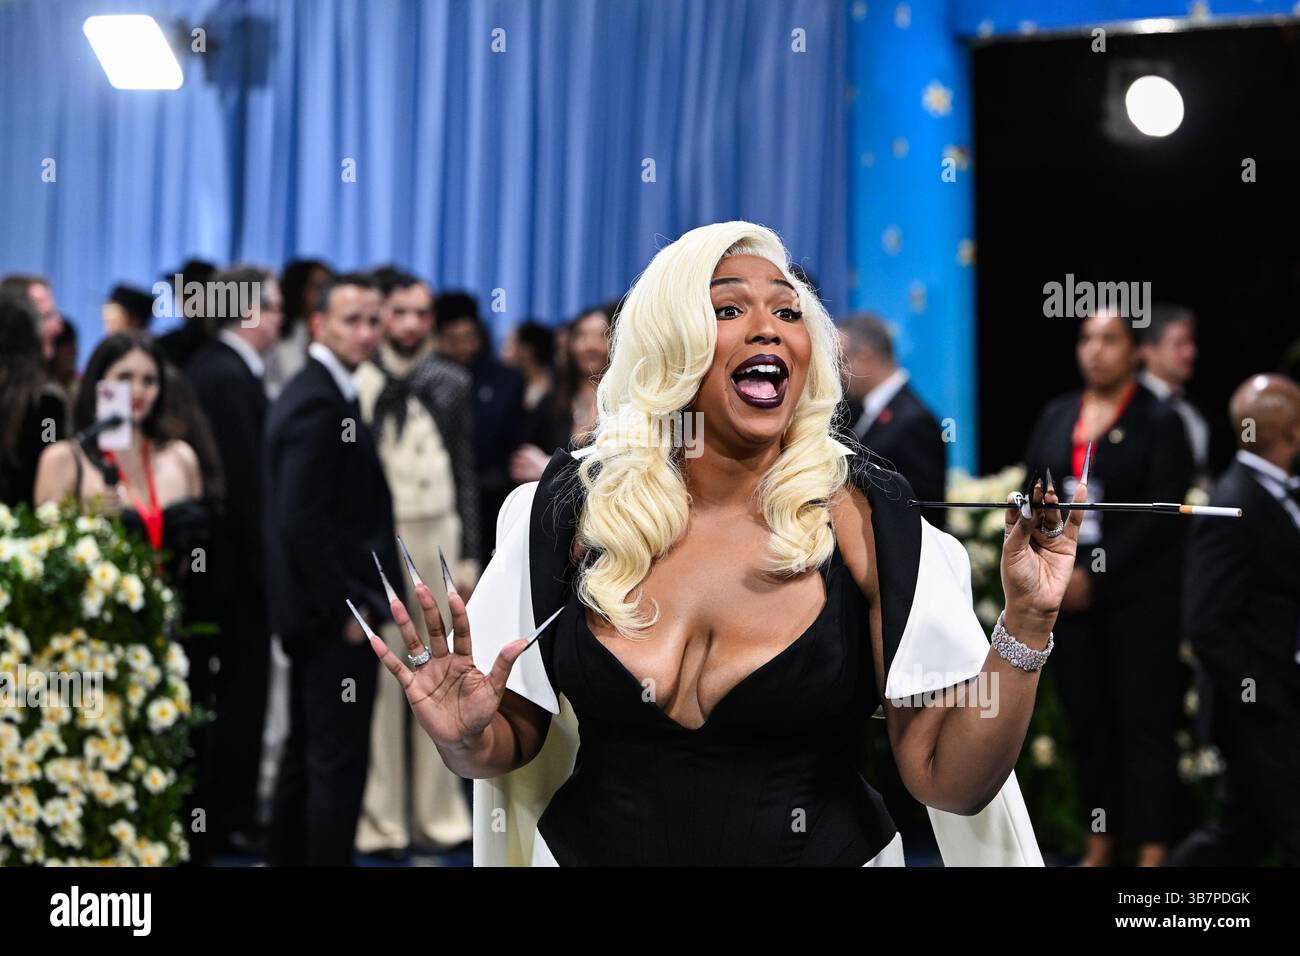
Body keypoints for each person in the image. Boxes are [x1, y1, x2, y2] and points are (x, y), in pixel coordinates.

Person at [364, 220, 1083, 866]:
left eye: (789, 309)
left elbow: (949, 783)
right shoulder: (566, 511)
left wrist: (1028, 621)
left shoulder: (868, 517)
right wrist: (463, 738)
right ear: (668, 345)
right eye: (730, 308)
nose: (769, 327)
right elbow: (511, 743)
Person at [1022, 308, 1194, 867]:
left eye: (1110, 340)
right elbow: (1034, 493)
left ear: (1136, 351)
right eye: (1086, 338)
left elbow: (1164, 512)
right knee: (1087, 718)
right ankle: (1100, 840)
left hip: (1137, 599)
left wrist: (1094, 572)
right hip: (1069, 599)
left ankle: (1151, 847)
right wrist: (1053, 564)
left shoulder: (1160, 421)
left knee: (1143, 723)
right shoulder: (1056, 413)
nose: (1095, 350)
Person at [264, 272, 400, 866]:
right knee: (334, 766)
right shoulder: (319, 399)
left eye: (375, 320)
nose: (367, 333)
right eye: (353, 320)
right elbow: (302, 525)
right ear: (318, 324)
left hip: (321, 613)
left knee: (309, 756)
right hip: (332, 619)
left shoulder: (325, 390)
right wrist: (352, 609)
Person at [352, 268, 478, 857]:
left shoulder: (451, 382)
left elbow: (466, 473)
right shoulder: (357, 384)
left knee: (444, 668)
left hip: (440, 536)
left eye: (420, 313)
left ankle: (438, 811)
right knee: (386, 677)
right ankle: (381, 819)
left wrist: (472, 553)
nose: (409, 324)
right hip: (381, 536)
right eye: (397, 312)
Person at [1167, 374, 1300, 865]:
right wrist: (1265, 693)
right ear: (1293, 432)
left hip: (1276, 697)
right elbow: (1205, 624)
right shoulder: (1231, 504)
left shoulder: (1275, 494)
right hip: (1259, 704)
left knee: (1241, 833)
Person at [185, 265, 282, 855]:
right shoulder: (226, 376)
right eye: (270, 306)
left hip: (229, 568)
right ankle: (228, 816)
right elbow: (246, 490)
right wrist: (266, 573)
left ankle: (225, 813)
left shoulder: (221, 371)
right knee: (239, 697)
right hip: (237, 574)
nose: (279, 317)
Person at [837, 313, 947, 529]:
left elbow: (924, 513)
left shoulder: (914, 422)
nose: (838, 372)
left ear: (864, 358)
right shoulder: (857, 410)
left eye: (840, 361)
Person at [434, 291, 524, 556]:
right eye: (453, 339)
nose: (463, 347)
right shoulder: (428, 382)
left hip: (493, 498)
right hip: (441, 495)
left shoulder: (506, 379)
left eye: (469, 337)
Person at [508, 306, 615, 484]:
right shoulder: (551, 402)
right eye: (582, 336)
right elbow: (521, 460)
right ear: (570, 344)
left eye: (602, 335)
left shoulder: (625, 404)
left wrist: (549, 467)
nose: (591, 345)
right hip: (554, 508)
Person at [0, 290, 64, 506]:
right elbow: (50, 456)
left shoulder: (46, 404)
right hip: (26, 526)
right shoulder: (47, 404)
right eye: (45, 318)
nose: (56, 327)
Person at [1138, 304, 1211, 486]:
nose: (1191, 353)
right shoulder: (1128, 406)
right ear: (1147, 350)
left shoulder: (1189, 411)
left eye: (1191, 343)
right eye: (1179, 344)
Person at [265, 258, 331, 398]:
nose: (326, 295)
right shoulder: (273, 337)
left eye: (329, 287)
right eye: (319, 287)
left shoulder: (338, 335)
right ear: (299, 289)